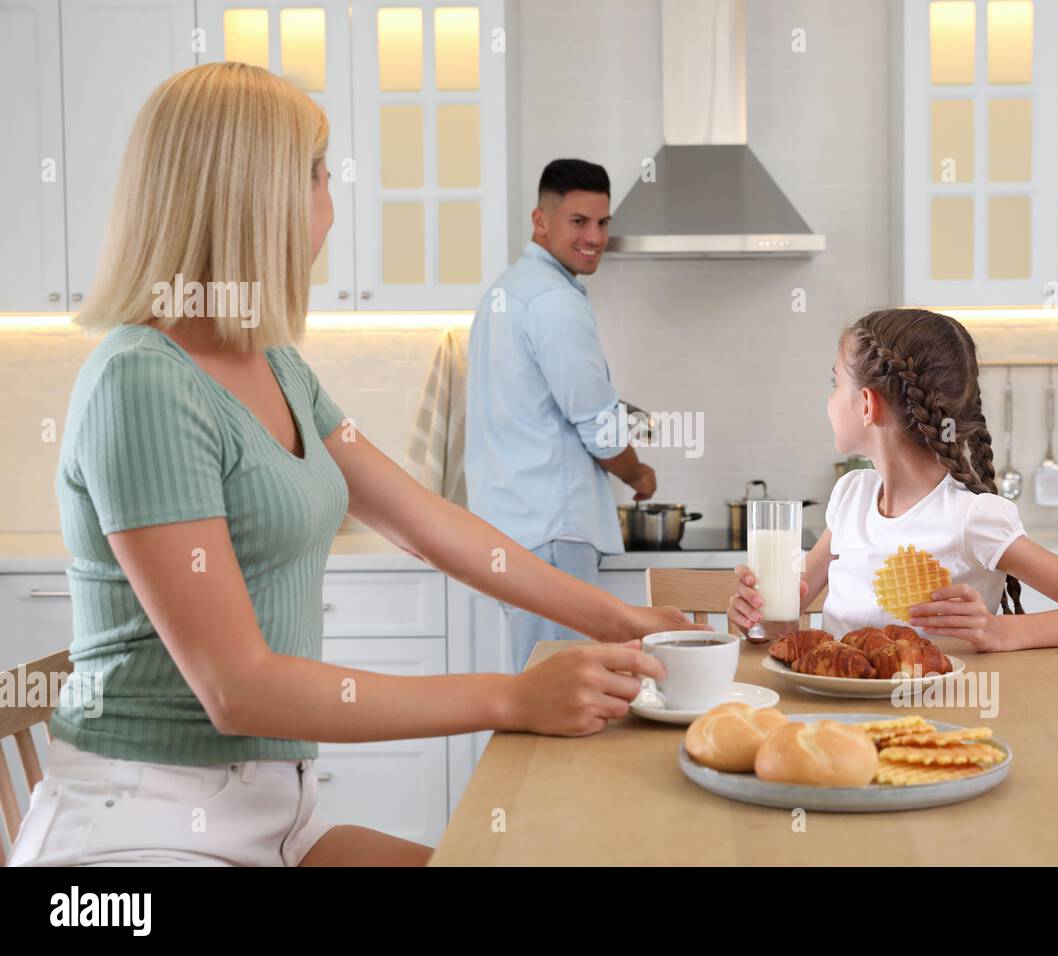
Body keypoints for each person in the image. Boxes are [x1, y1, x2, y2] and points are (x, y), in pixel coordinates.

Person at [6, 63, 700, 869]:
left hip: (278, 816)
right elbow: (239, 689)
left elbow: (430, 525)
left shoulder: (275, 366)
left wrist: (627, 621)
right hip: (143, 825)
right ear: (250, 193)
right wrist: (509, 697)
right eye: (316, 174)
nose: (330, 204)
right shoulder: (143, 382)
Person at [728, 308, 1058, 651]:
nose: (829, 400)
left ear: (868, 405)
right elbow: (790, 604)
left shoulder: (972, 516)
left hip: (938, 722)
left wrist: (998, 632)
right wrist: (757, 614)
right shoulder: (850, 496)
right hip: (839, 716)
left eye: (835, 384)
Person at [466, 159, 657, 672]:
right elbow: (598, 423)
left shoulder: (508, 291)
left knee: (540, 682)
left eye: (602, 222)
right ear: (540, 220)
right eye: (578, 221)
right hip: (551, 531)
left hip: (515, 527)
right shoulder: (553, 301)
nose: (594, 236)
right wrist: (639, 474)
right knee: (565, 681)